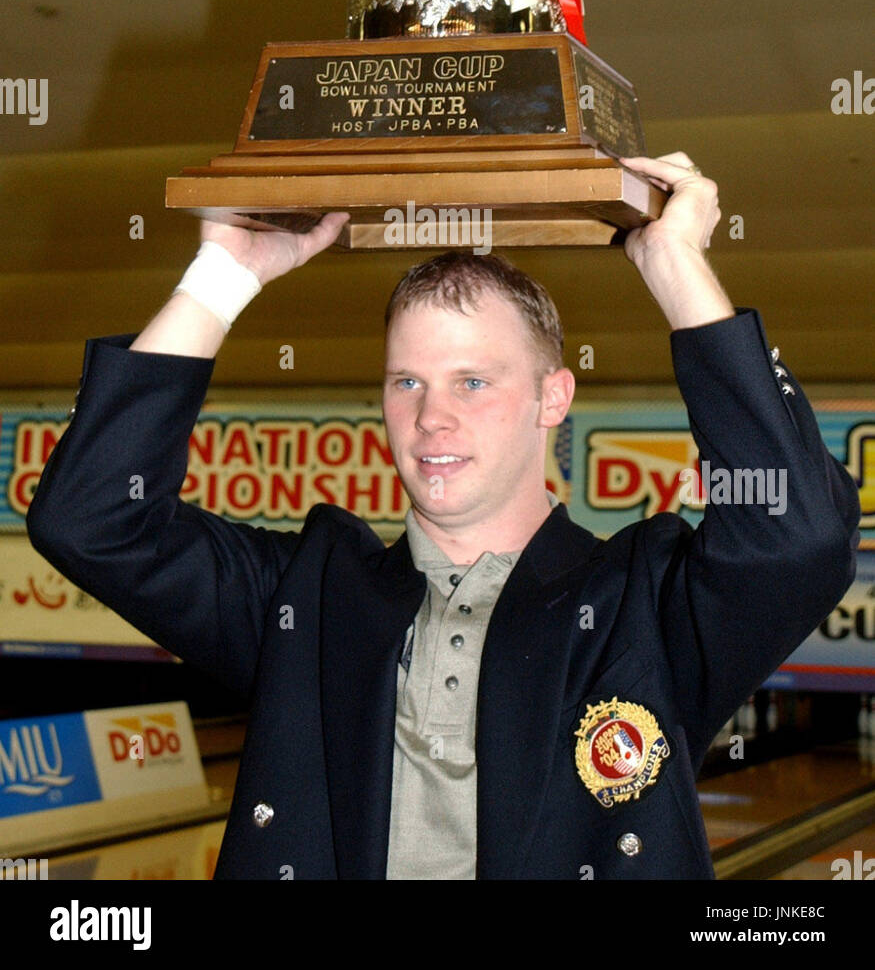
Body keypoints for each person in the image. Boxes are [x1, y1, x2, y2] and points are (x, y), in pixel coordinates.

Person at [27, 153, 860, 880]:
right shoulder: (305, 599)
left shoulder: (639, 605)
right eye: (407, 382)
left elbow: (797, 537)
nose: (432, 419)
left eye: (472, 381)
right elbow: (91, 519)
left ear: (551, 398)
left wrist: (676, 266)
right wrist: (223, 276)